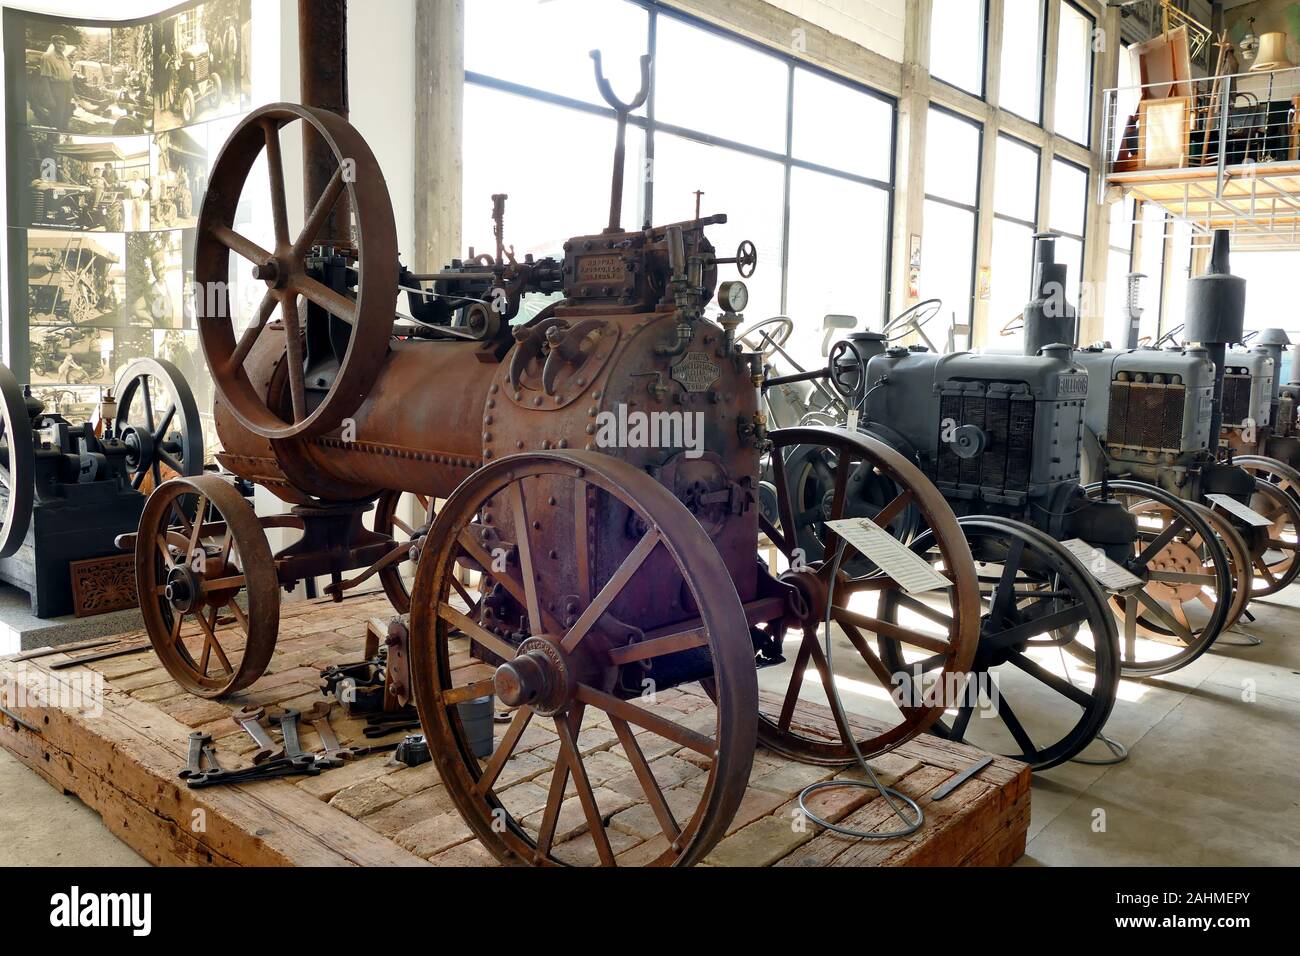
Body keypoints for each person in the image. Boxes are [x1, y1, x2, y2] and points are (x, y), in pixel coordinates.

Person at [38, 35, 75, 129]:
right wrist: (49, 97)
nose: (61, 45)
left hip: (67, 89)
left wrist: (72, 92)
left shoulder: (65, 58)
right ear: (53, 43)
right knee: (57, 117)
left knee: (66, 115)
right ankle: (53, 139)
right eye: (59, 43)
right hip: (56, 89)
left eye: (63, 44)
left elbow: (69, 77)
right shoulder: (47, 57)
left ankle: (62, 136)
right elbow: (45, 78)